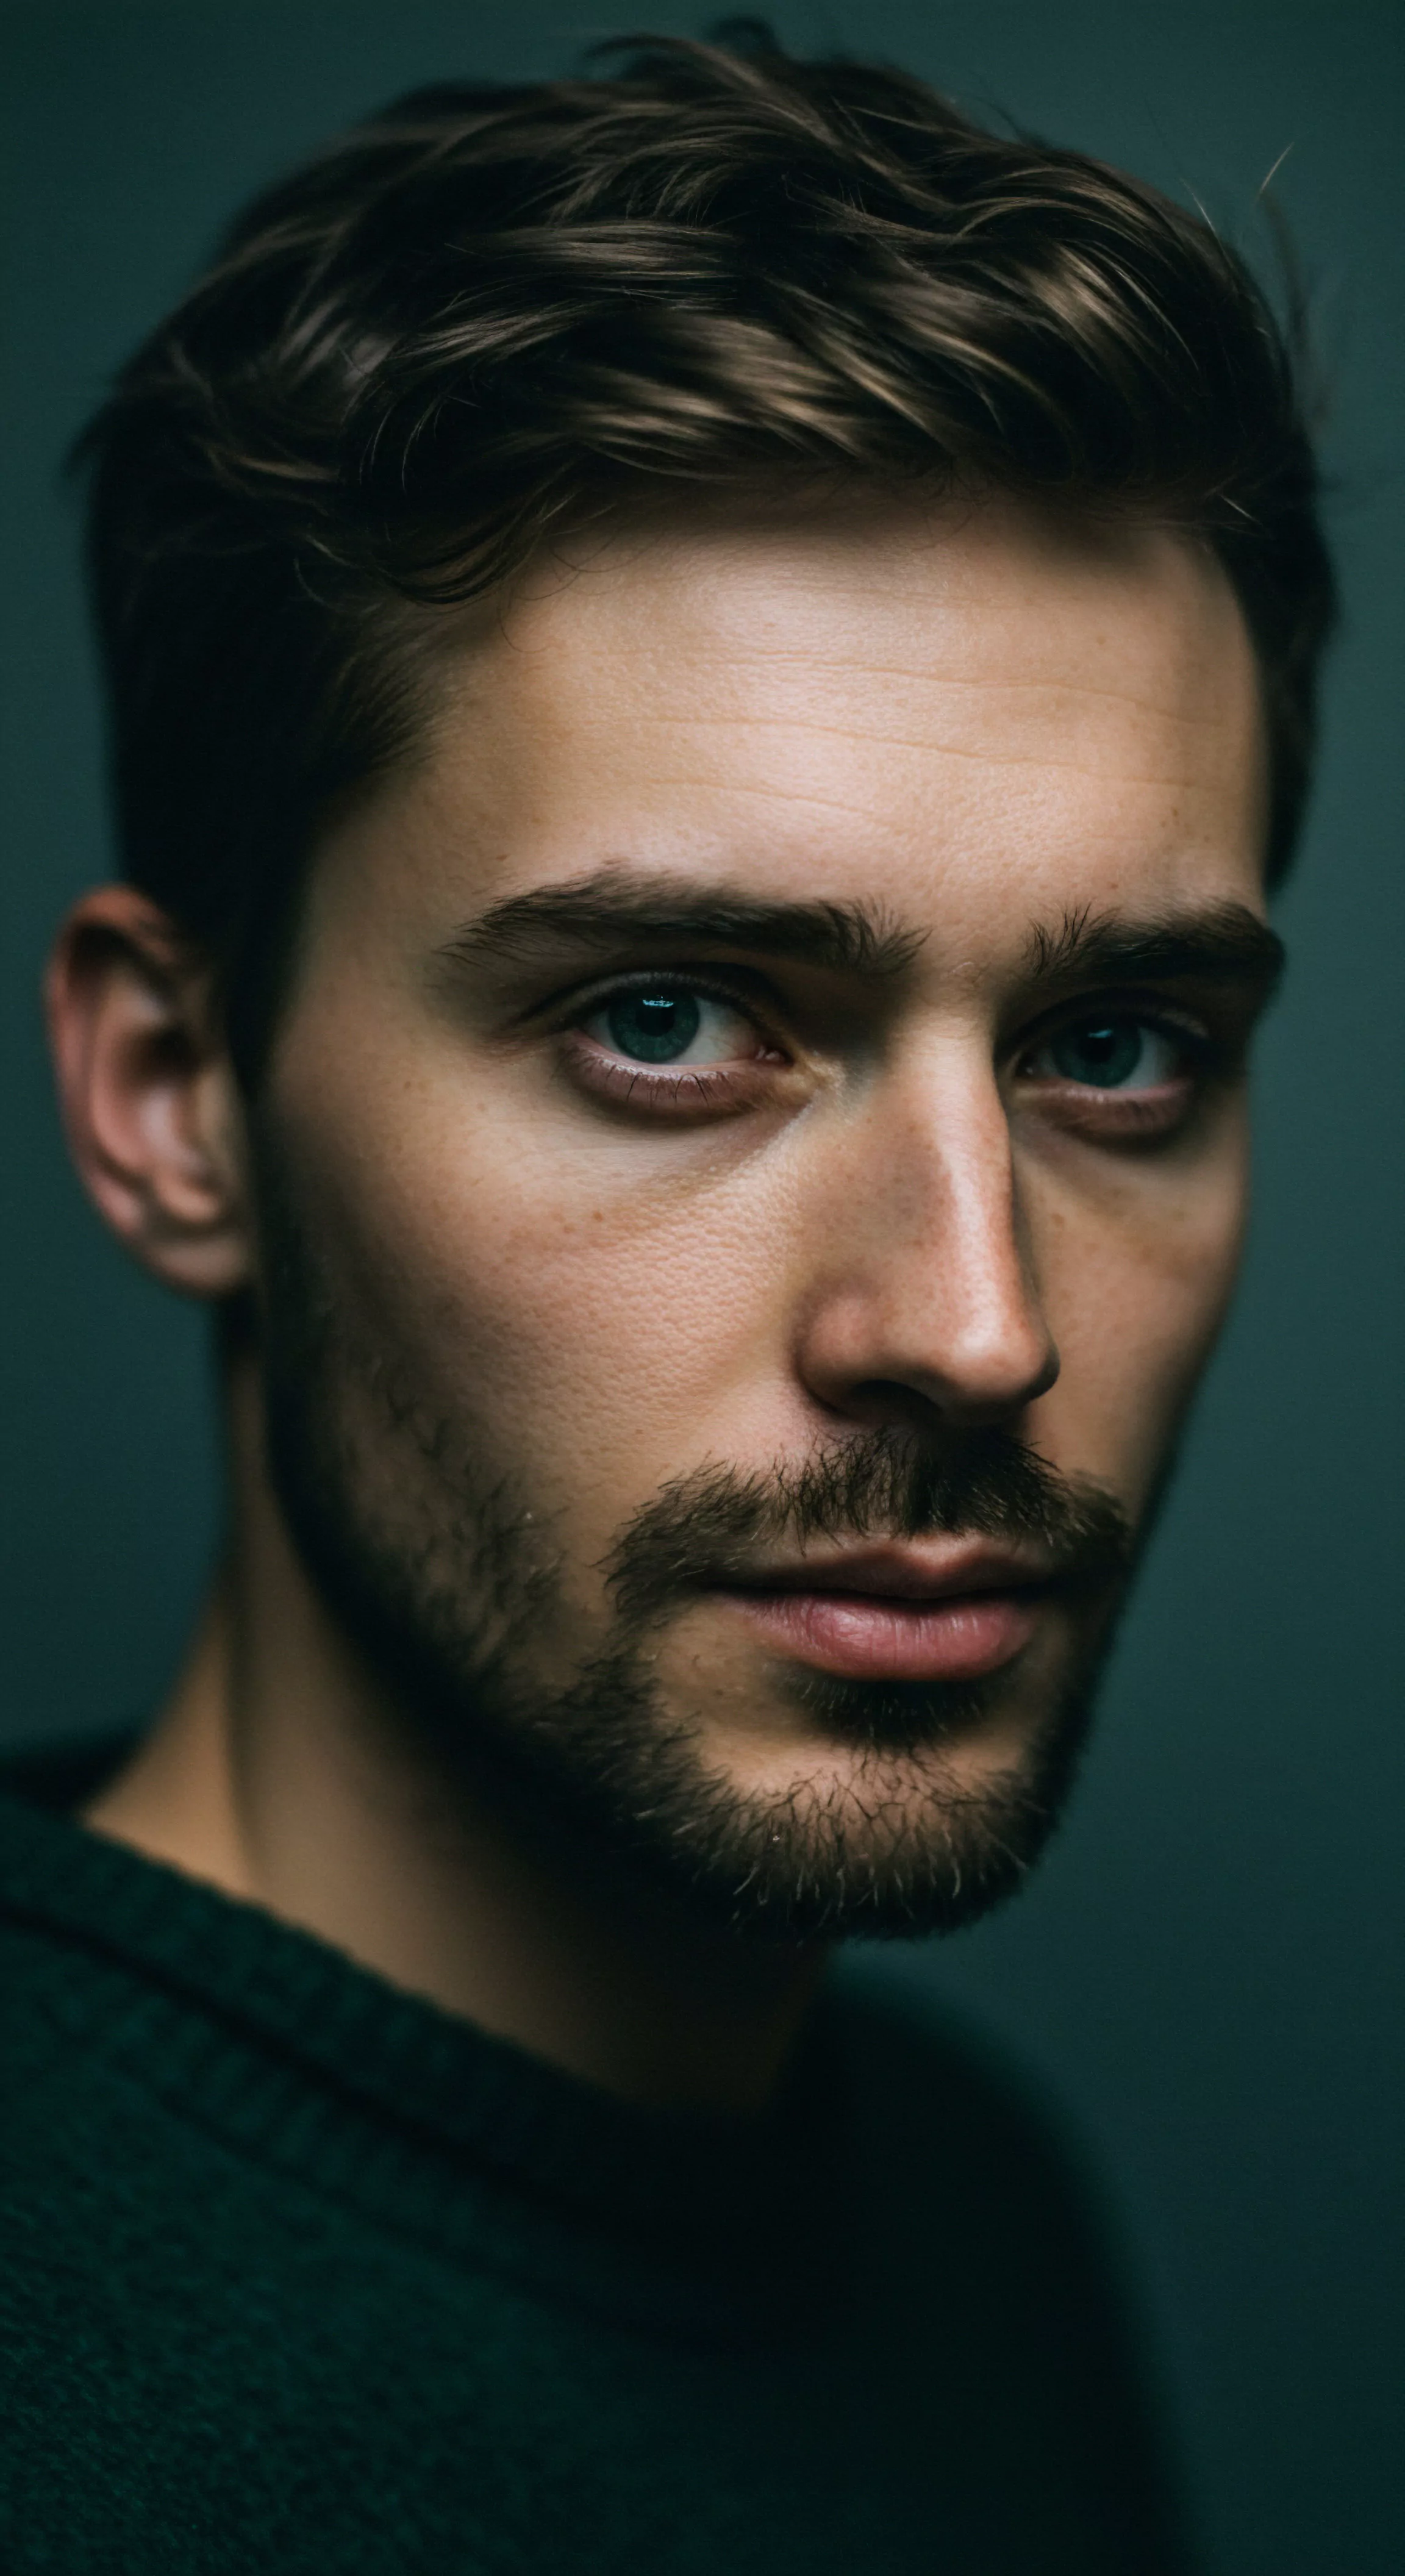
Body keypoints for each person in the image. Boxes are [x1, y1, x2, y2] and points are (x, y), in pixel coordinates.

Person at [0, 28, 1332, 2573]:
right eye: (669, 1023)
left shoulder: (966, 2221)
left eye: (1116, 1046)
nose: (975, 1327)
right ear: (179, 1101)